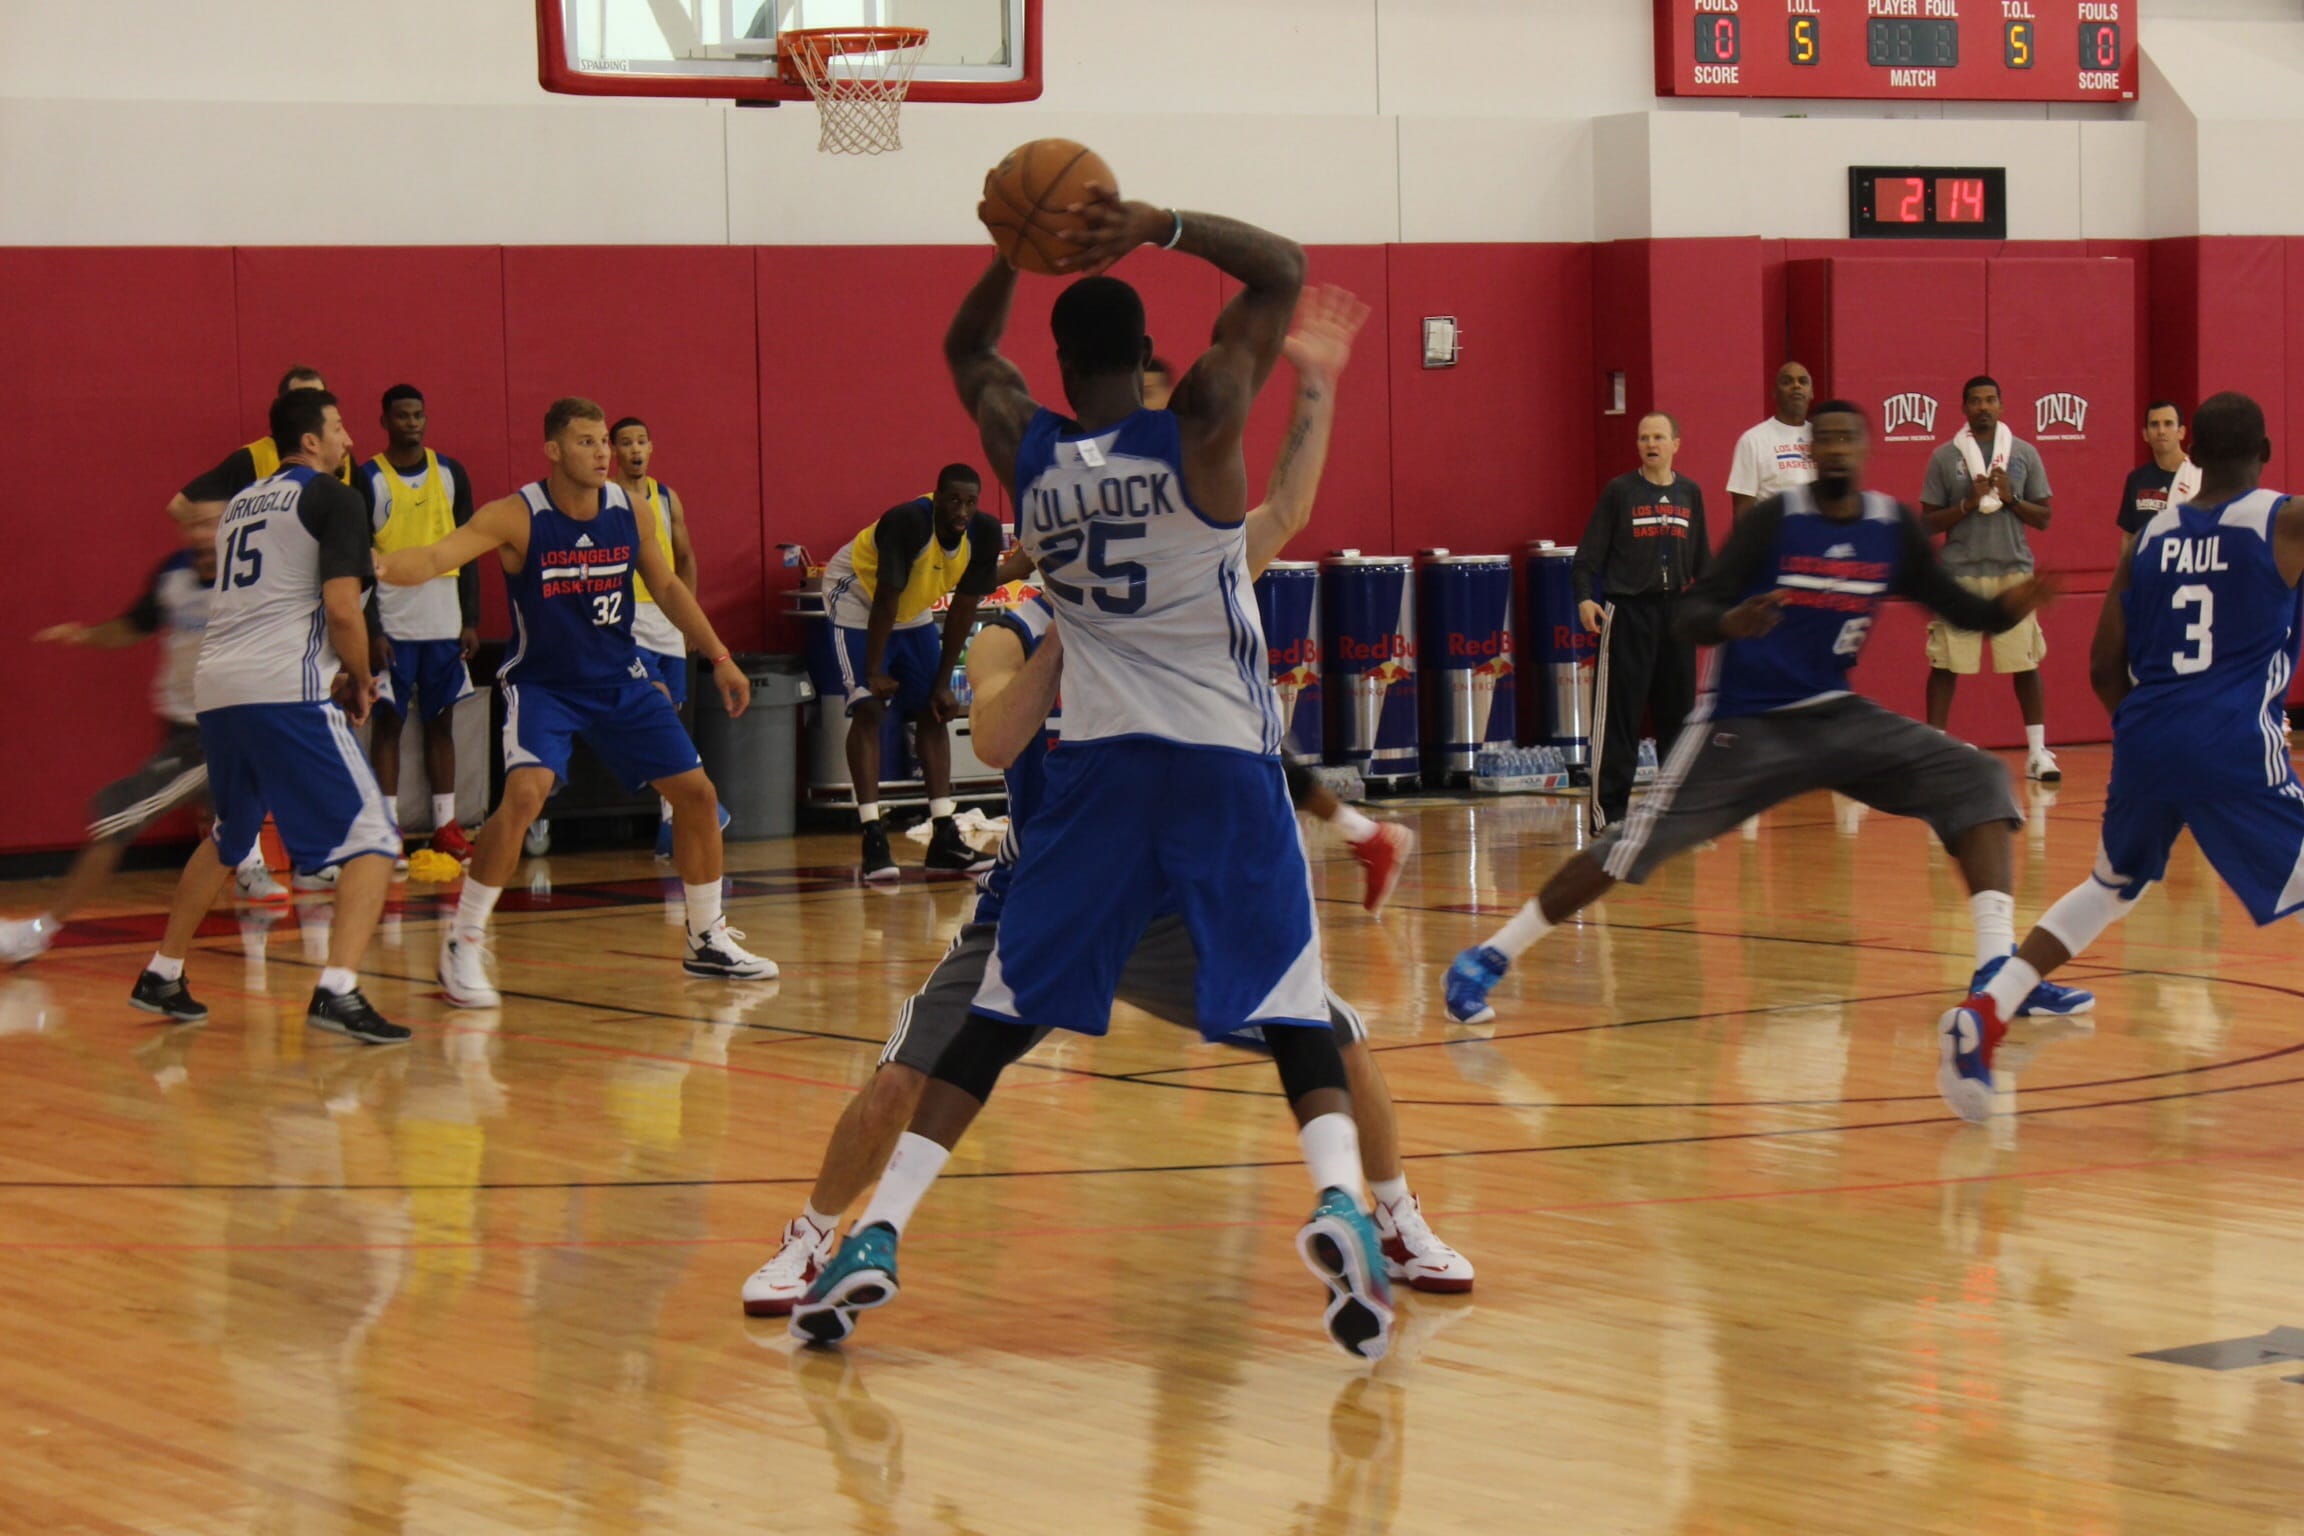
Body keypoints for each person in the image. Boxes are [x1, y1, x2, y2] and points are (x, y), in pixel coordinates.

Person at [741, 288, 1467, 1318]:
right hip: (1047, 885)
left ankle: (1391, 1214)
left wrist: (1315, 389)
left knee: (1333, 1032)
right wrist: (1075, 624)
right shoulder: (1011, 614)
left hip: (1172, 894)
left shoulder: (1185, 555)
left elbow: (1283, 510)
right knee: (915, 1068)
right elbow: (991, 738)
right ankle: (817, 1239)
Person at [1443, 400, 2095, 1037]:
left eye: (1848, 440)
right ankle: (1486, 959)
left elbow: (1960, 609)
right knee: (1631, 844)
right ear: (1809, 452)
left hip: (1832, 714)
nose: (1837, 450)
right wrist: (1732, 621)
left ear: (1865, 452)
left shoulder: (1889, 527)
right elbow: (1693, 613)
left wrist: (2011, 606)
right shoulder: (1777, 520)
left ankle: (1996, 976)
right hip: (1744, 723)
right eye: (1825, 440)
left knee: (1977, 778)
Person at [1937, 391, 2304, 1121]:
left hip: (2146, 733)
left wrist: (2149, 736)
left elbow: (2105, 668)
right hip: (2231, 741)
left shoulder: (2150, 536)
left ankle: (1987, 1010)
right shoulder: (2286, 519)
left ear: (2191, 454)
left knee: (2112, 885)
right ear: (2265, 452)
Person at [378, 398, 775, 1005]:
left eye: (605, 443)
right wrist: (371, 565)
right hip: (544, 685)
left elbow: (666, 585)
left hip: (620, 677)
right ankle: (462, 941)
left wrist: (719, 656)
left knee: (698, 796)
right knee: (526, 794)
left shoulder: (631, 509)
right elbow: (435, 559)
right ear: (554, 450)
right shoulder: (516, 515)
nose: (603, 454)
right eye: (587, 442)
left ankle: (706, 937)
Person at [130, 390, 409, 1044]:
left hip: (219, 686)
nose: (348, 440)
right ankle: (337, 989)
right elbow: (343, 608)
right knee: (374, 840)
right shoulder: (335, 498)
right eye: (339, 428)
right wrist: (363, 679)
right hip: (284, 688)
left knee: (231, 833)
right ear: (310, 441)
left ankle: (162, 971)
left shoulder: (241, 504)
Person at [1, 511, 260, 962]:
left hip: (215, 734)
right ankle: (254, 878)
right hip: (177, 728)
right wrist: (86, 636)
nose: (202, 533)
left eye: (213, 522)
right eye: (194, 524)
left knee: (116, 813)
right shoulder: (172, 575)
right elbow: (133, 626)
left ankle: (39, 931)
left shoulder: (254, 581)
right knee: (231, 827)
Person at [811, 469, 1004, 881]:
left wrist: (940, 683)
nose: (962, 511)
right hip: (857, 597)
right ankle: (873, 835)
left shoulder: (983, 534)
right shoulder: (908, 521)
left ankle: (944, 835)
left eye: (971, 502)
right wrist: (875, 671)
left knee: (934, 710)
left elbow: (962, 610)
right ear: (936, 498)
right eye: (954, 501)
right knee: (868, 708)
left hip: (910, 608)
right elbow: (885, 599)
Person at [1572, 412, 1709, 830]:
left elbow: (1703, 560)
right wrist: (1584, 600)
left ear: (1675, 444)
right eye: (1644, 437)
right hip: (1627, 614)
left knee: (1679, 720)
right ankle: (1609, 816)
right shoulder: (1620, 492)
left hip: (1676, 616)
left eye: (1659, 437)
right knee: (1620, 720)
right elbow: (1586, 558)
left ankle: (1675, 819)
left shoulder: (1690, 493)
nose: (1651, 444)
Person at [360, 384, 479, 861]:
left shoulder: (450, 473)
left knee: (440, 723)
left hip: (444, 623)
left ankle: (446, 825)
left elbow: (471, 549)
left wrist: (471, 618)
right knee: (387, 725)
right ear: (384, 420)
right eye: (402, 416)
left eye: (418, 415)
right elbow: (359, 561)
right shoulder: (367, 477)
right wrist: (372, 629)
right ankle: (386, 828)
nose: (412, 423)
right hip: (394, 622)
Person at [1920, 376, 2060, 781]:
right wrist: (1966, 502)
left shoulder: (2024, 454)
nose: (1983, 407)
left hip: (2013, 570)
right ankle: (1933, 751)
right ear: (1963, 408)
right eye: (1975, 401)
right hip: (1960, 573)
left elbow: (2046, 517)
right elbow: (1927, 522)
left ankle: (2037, 753)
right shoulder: (1945, 457)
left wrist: (2012, 498)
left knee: (2025, 663)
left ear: (2001, 405)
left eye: (1990, 400)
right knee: (1946, 664)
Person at [609, 415, 726, 860]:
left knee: (670, 719)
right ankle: (691, 809)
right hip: (624, 620)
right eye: (626, 442)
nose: (635, 450)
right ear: (613, 450)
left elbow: (686, 558)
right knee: (646, 708)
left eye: (642, 441)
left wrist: (688, 619)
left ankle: (672, 820)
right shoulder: (606, 498)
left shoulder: (666, 497)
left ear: (651, 447)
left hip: (665, 621)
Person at [166, 365, 352, 528]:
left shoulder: (344, 457)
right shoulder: (252, 458)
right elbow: (179, 505)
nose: (309, 408)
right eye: (300, 400)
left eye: (318, 399)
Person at [1726, 361, 1817, 521]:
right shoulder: (1753, 440)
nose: (1796, 386)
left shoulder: (1821, 438)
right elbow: (1742, 513)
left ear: (1811, 392)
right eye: (1787, 381)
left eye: (1803, 381)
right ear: (1775, 392)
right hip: (1775, 540)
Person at [2116, 400, 2200, 536]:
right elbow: (2129, 537)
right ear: (2145, 434)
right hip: (2148, 557)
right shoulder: (2136, 479)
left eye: (2168, 424)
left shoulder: (2200, 475)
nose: (2161, 431)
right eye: (2154, 425)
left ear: (2181, 432)